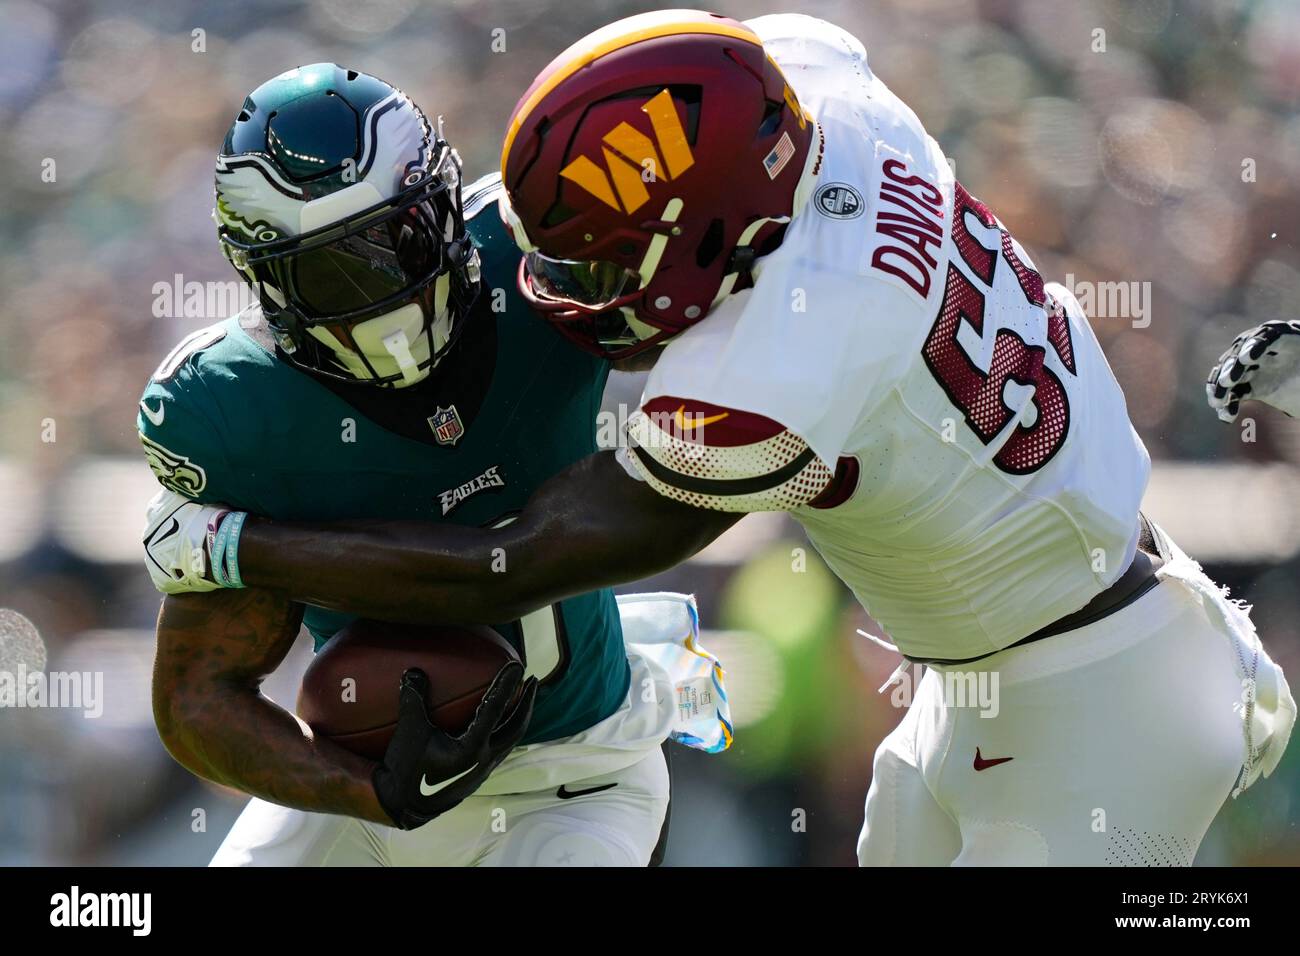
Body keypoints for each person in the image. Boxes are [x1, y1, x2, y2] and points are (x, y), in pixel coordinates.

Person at [147, 14, 1294, 866]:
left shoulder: (772, 367)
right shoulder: (821, 96)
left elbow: (517, 557)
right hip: (998, 666)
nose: (573, 291)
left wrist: (236, 544)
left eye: (609, 257)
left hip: (1098, 693)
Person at [139, 63, 729, 867]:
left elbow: (499, 572)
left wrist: (236, 545)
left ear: (446, 208)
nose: (383, 293)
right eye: (332, 270)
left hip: (579, 774)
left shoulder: (537, 260)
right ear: (267, 282)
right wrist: (363, 792)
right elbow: (196, 698)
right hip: (371, 784)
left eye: (399, 239)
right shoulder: (234, 410)